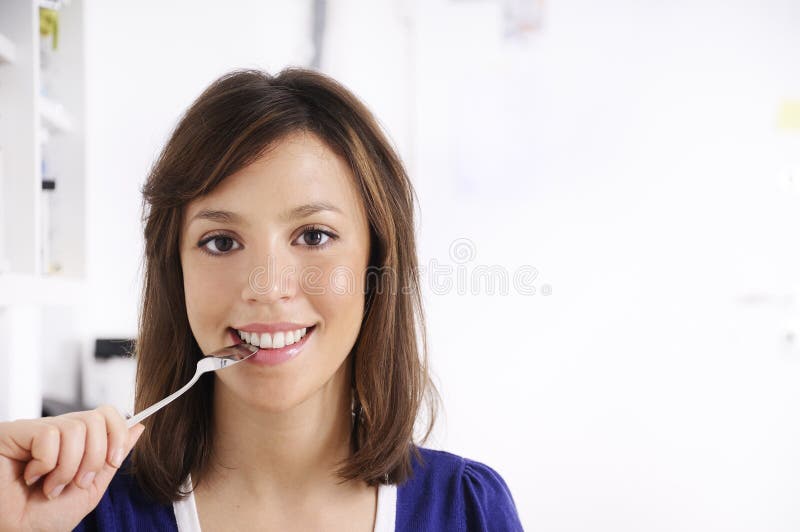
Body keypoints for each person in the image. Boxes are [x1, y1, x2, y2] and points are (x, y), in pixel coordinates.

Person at [0, 68, 524, 531]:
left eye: (314, 236)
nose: (268, 287)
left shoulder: (467, 511)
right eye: (221, 242)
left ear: (376, 262)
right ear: (174, 271)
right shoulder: (81, 514)